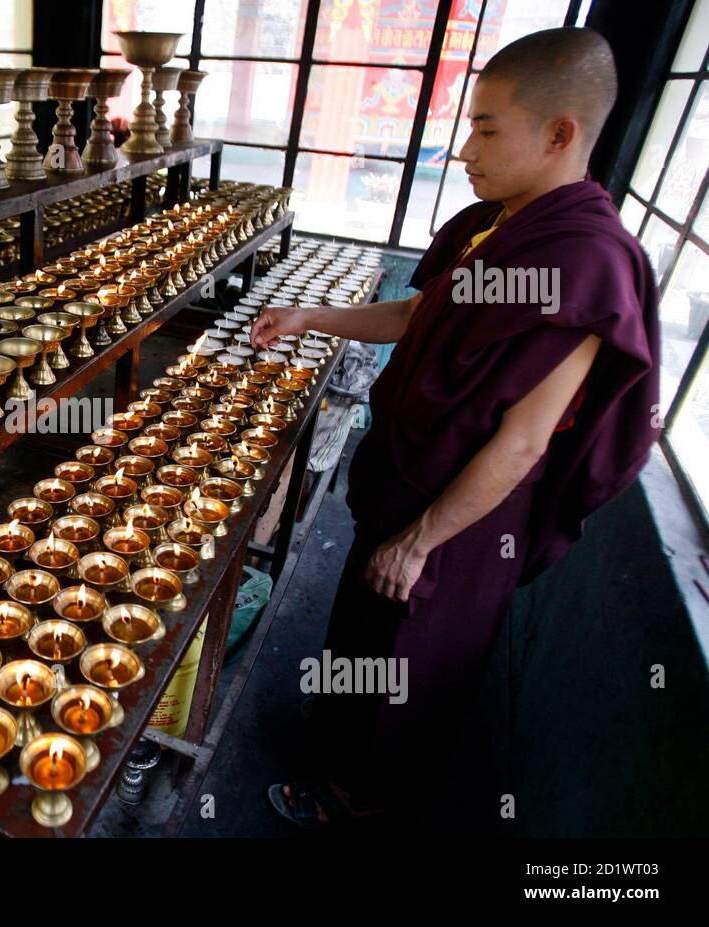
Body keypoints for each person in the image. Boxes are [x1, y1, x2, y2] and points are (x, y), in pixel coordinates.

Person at [252, 27, 661, 828]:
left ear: (559, 133)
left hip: (463, 521)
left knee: (407, 661)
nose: (465, 148)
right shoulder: (494, 228)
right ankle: (335, 757)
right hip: (406, 484)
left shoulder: (585, 264)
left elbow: (522, 441)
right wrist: (310, 315)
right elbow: (417, 311)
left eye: (486, 127)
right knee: (363, 636)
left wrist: (421, 540)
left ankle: (350, 802)